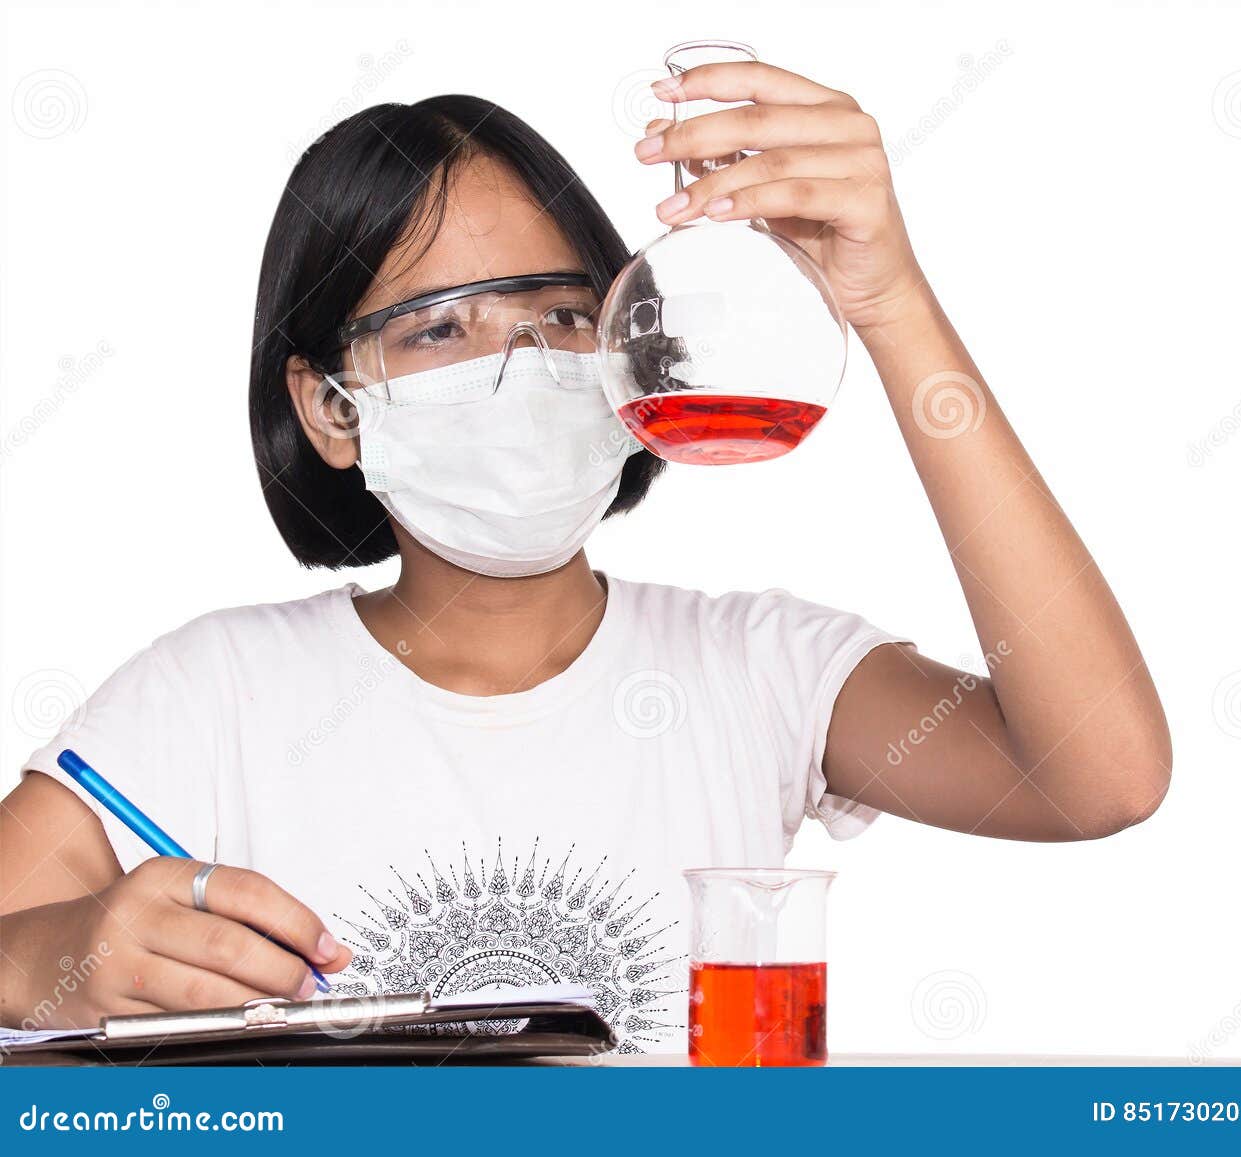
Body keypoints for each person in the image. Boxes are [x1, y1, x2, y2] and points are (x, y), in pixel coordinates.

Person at [0, 59, 1170, 1051]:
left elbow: (1100, 773)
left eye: (561, 315)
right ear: (329, 407)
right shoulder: (213, 695)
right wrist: (63, 951)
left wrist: (891, 300)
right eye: (441, 327)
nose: (520, 364)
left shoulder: (756, 669)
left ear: (627, 349)